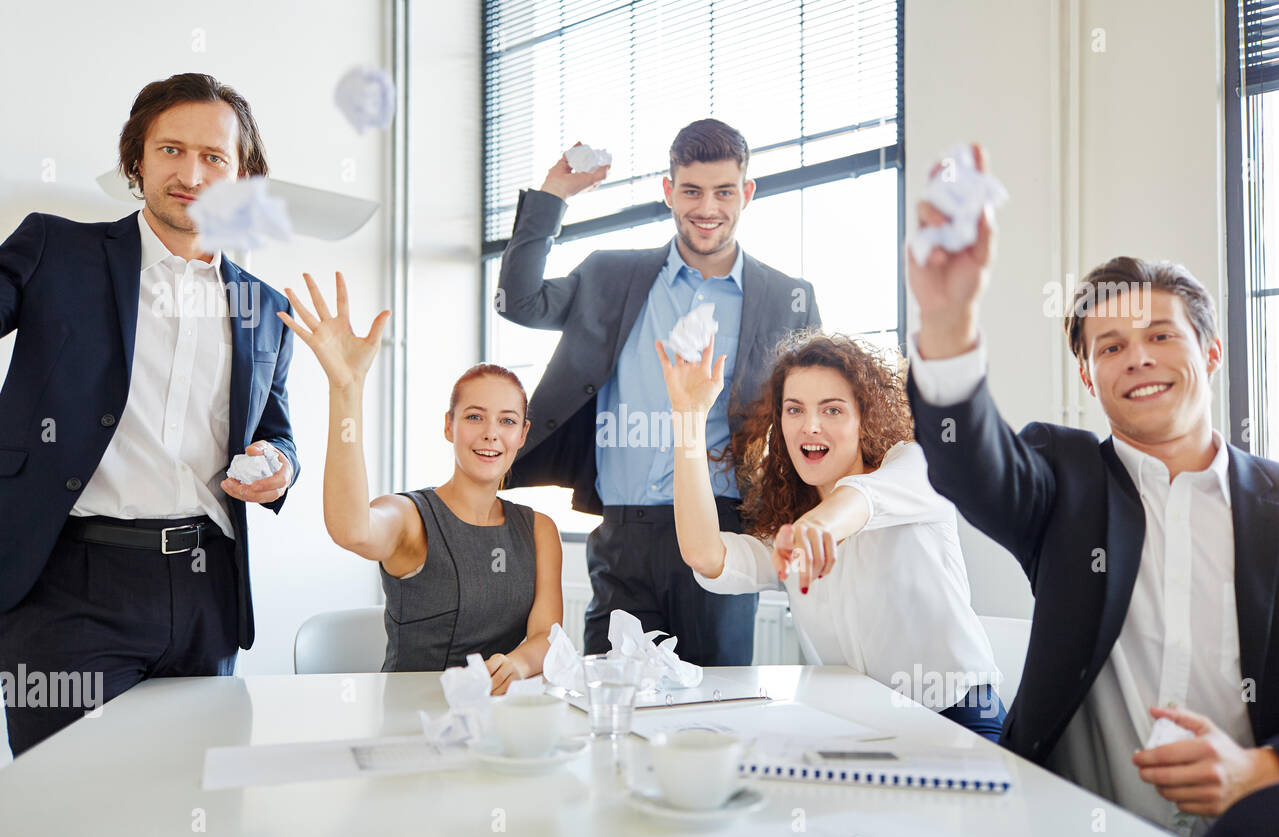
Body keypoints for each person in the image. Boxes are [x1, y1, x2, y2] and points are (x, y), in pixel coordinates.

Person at [905, 145, 1279, 837]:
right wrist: (948, 321)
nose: (1138, 357)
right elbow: (970, 464)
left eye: (1159, 335)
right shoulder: (1063, 479)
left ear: (1209, 353)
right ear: (1088, 377)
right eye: (1110, 346)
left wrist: (1265, 768)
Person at [0, 73, 298, 756]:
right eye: (171, 150)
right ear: (137, 160)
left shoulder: (265, 309)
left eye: (215, 157)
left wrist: (279, 465)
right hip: (67, 589)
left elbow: (276, 431)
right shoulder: (56, 252)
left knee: (195, 818)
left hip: (206, 594)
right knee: (73, 810)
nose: (191, 173)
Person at [496, 118, 821, 666]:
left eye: (723, 191)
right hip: (622, 533)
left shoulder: (788, 297)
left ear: (748, 192)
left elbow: (812, 413)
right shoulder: (610, 276)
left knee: (716, 715)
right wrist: (553, 196)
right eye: (691, 190)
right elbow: (516, 301)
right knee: (610, 703)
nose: (707, 207)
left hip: (722, 533)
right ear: (669, 191)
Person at [658, 329, 1005, 740]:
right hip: (857, 729)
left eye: (833, 410)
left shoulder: (914, 468)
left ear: (865, 417)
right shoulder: (788, 531)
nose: (811, 426)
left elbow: (857, 502)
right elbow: (704, 553)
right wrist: (688, 416)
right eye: (794, 410)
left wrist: (811, 530)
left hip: (958, 719)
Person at [278, 274, 562, 692]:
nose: (490, 433)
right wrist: (346, 389)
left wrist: (517, 665)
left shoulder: (538, 529)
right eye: (474, 416)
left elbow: (546, 636)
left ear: (522, 434)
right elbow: (352, 529)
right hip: (409, 725)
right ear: (449, 426)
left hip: (493, 724)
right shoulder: (411, 517)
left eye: (507, 421)